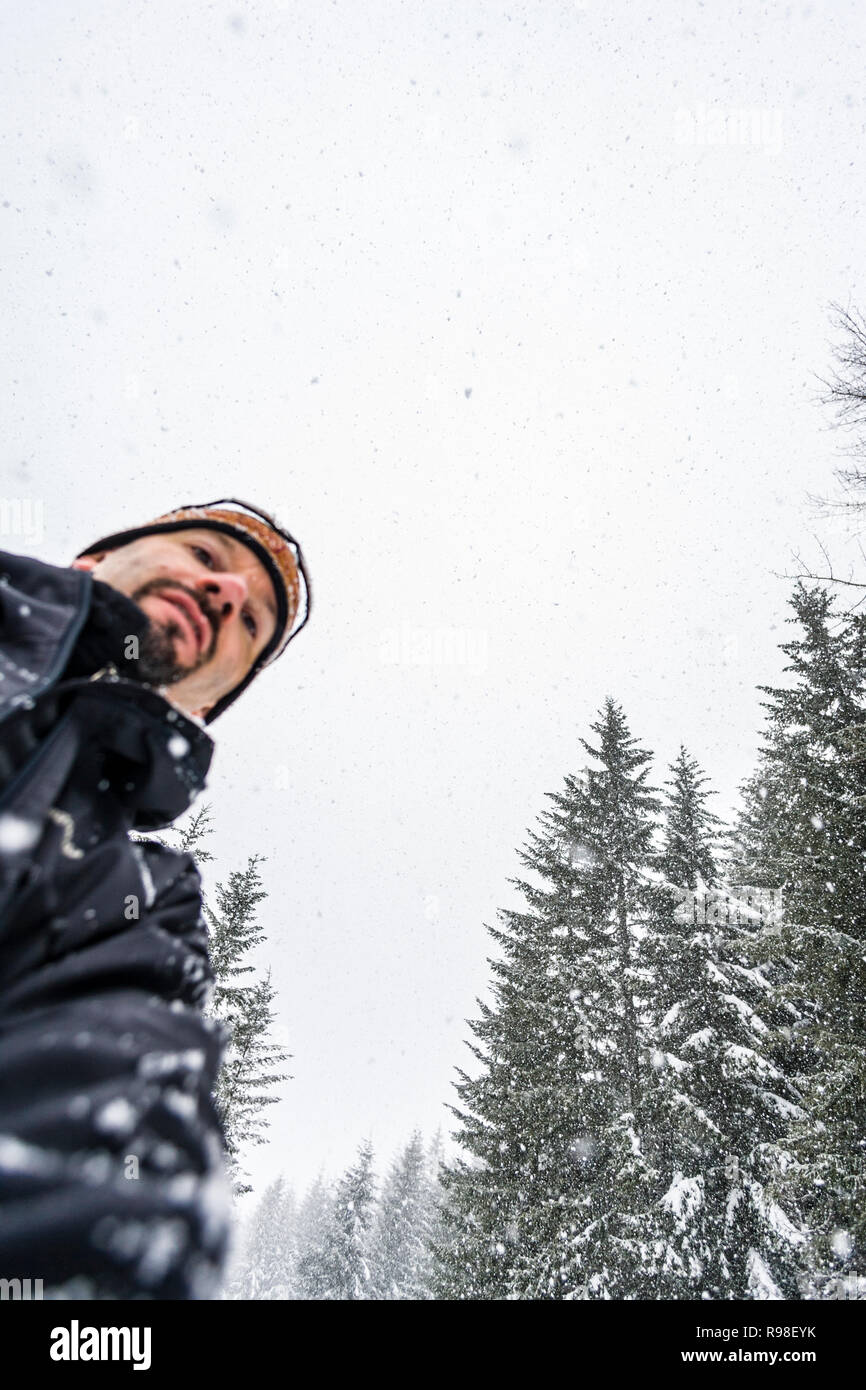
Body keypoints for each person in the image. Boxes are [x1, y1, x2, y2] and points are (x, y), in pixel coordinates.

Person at [0, 498, 311, 1298]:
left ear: (203, 703)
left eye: (253, 625)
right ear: (92, 560)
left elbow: (111, 1106)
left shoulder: (139, 900)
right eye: (206, 556)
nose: (229, 595)